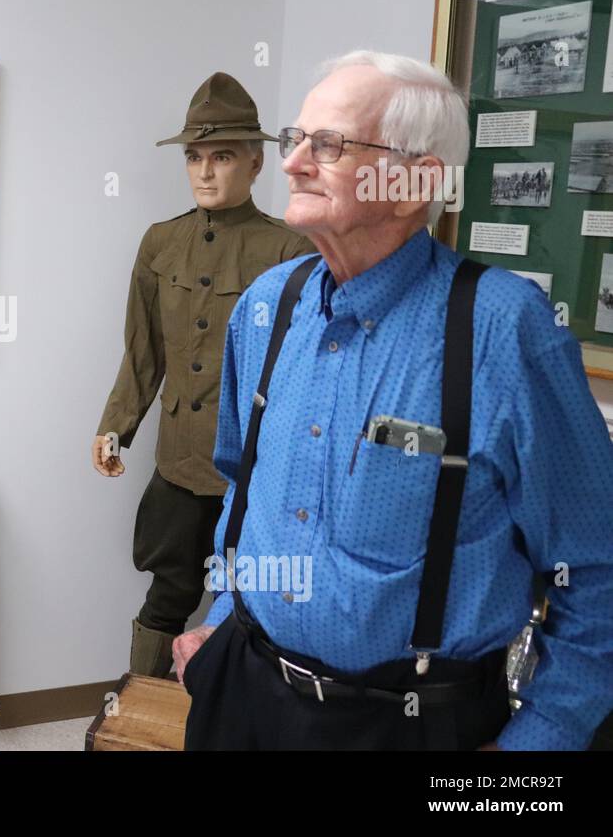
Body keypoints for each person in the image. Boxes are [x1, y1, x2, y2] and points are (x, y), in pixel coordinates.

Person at [175, 51, 613, 750]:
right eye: (297, 140)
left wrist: (541, 744)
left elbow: (596, 569)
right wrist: (225, 609)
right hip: (243, 695)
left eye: (329, 145)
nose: (291, 163)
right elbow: (242, 480)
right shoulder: (267, 307)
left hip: (407, 725)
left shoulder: (505, 331)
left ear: (413, 184)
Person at [93, 73, 312, 676]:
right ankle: (133, 717)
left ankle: (215, 723)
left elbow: (300, 377)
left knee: (238, 601)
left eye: (222, 156)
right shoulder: (161, 243)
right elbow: (143, 354)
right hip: (179, 465)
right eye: (194, 157)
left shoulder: (291, 251)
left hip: (251, 471)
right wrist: (116, 427)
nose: (206, 171)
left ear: (256, 161)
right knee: (168, 596)